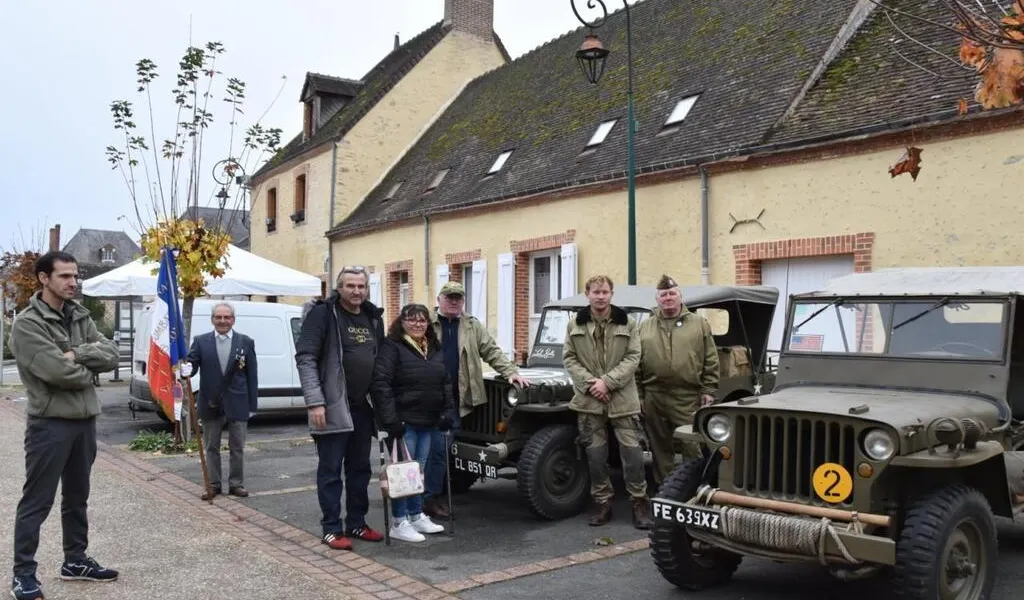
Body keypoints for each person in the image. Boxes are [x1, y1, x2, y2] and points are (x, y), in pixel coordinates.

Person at [9, 251, 121, 600]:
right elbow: (58, 373)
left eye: (75, 276)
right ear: (44, 278)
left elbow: (113, 354)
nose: (73, 282)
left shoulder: (79, 315)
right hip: (50, 426)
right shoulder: (28, 324)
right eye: (65, 276)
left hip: (84, 422)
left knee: (77, 497)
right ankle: (23, 574)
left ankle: (75, 561)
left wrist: (75, 354)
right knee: (37, 501)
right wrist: (85, 363)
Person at [295, 266, 386, 550]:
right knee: (331, 471)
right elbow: (306, 358)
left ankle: (356, 523)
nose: (356, 291)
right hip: (332, 406)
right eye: (350, 286)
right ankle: (331, 529)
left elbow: (379, 360)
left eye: (361, 286)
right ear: (339, 288)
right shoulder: (323, 315)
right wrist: (315, 402)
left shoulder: (373, 317)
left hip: (362, 408)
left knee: (360, 470)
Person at [424, 281, 531, 519]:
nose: (454, 301)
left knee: (441, 450)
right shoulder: (426, 323)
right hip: (426, 398)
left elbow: (491, 350)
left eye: (458, 298)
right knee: (424, 450)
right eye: (449, 297)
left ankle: (430, 497)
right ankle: (418, 498)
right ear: (439, 299)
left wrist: (511, 372)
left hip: (456, 399)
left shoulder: (471, 326)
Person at [563, 275, 653, 529]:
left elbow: (634, 357)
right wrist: (592, 383)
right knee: (595, 455)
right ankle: (603, 502)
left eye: (605, 292)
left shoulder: (628, 323)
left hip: (622, 398)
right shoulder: (575, 325)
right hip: (590, 400)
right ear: (587, 294)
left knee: (633, 454)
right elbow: (569, 359)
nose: (600, 296)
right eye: (596, 292)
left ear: (612, 294)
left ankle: (639, 502)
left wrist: (608, 383)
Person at [371, 303, 456, 543]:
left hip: (428, 421)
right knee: (402, 474)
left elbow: (445, 382)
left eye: (422, 320)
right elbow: (381, 384)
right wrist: (390, 420)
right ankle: (399, 522)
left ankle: (416, 514)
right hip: (403, 422)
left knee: (419, 472)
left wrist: (446, 412)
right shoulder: (392, 347)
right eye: (412, 320)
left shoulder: (434, 347)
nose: (418, 324)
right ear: (402, 322)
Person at [637, 275, 721, 487]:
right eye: (663, 295)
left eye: (672, 293)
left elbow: (710, 359)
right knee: (659, 447)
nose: (668, 298)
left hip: (687, 396)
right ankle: (665, 489)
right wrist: (639, 396)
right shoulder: (645, 327)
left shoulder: (699, 324)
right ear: (657, 299)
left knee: (691, 445)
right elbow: (636, 363)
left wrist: (709, 389)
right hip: (653, 395)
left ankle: (692, 489)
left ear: (680, 297)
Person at [182, 302, 258, 501]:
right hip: (210, 402)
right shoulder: (200, 342)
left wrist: (252, 405)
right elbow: (192, 365)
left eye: (227, 317)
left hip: (238, 402)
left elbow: (252, 375)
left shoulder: (246, 342)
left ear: (233, 319)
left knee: (237, 447)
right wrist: (186, 370)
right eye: (218, 317)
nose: (223, 321)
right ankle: (213, 484)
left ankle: (236, 484)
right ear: (212, 319)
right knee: (211, 446)